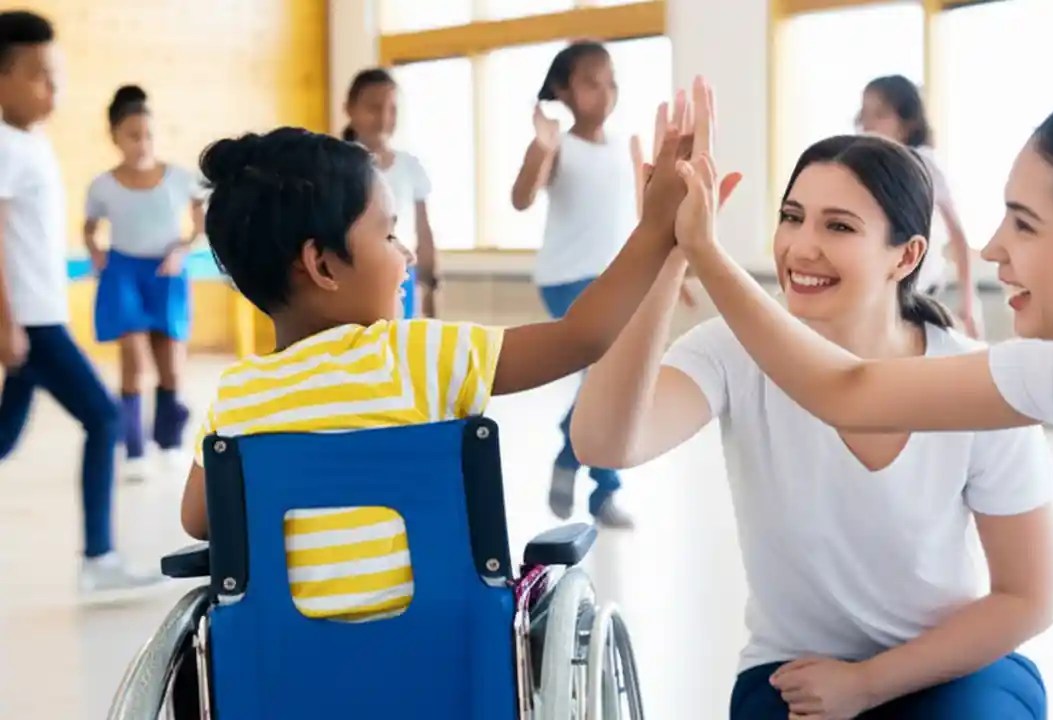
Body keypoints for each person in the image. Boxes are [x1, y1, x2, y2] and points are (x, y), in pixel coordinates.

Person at [673, 88, 1053, 718]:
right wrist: (699, 250)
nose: (991, 249)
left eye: (1024, 224)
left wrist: (705, 254)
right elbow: (848, 392)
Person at [178, 77, 716, 622]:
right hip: (443, 649)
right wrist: (656, 228)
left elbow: (197, 520)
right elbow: (583, 336)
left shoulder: (237, 398)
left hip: (284, 665)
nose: (407, 255)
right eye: (389, 236)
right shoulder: (417, 356)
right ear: (322, 265)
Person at [573, 129, 1053, 719]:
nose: (802, 247)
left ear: (906, 256)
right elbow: (604, 442)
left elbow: (1028, 597)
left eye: (839, 227)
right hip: (794, 673)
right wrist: (663, 248)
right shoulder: (730, 351)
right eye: (792, 217)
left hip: (952, 667)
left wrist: (867, 683)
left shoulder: (975, 381)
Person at [0, 11, 161, 599]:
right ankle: (99, 557)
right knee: (104, 417)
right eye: (40, 76)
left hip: (39, 314)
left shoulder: (29, 141)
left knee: (5, 437)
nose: (54, 89)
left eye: (58, 76)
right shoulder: (5, 145)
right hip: (31, 321)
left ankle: (100, 557)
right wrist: (7, 323)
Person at [511, 40, 641, 528]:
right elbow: (522, 198)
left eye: (611, 81)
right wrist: (541, 148)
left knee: (611, 381)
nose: (605, 91)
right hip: (566, 278)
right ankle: (603, 489)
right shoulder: (558, 146)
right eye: (591, 82)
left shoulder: (626, 147)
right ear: (564, 91)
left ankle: (571, 454)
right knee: (607, 376)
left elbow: (634, 220)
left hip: (614, 279)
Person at [83, 84, 205, 480]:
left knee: (170, 365)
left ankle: (168, 441)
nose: (142, 144)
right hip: (123, 274)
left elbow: (200, 221)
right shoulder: (102, 186)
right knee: (134, 361)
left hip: (166, 273)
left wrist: (182, 249)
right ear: (115, 137)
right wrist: (95, 251)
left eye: (148, 135)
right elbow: (89, 227)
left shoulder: (179, 178)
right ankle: (134, 449)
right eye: (133, 136)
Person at [858, 75, 981, 338]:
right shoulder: (867, 170)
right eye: (864, 115)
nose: (868, 124)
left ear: (907, 123)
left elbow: (958, 236)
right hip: (884, 292)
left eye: (879, 115)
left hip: (921, 292)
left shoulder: (924, 164)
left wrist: (969, 305)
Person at [341, 68, 437, 318]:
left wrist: (429, 284)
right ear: (349, 109)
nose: (384, 118)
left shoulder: (410, 166)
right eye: (374, 108)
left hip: (403, 274)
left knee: (403, 337)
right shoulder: (337, 167)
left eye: (392, 109)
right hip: (356, 277)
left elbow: (423, 230)